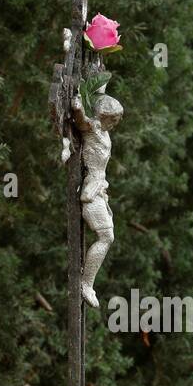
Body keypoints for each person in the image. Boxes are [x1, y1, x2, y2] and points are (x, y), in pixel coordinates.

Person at [73, 89, 123, 308]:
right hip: (91, 190)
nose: (116, 123)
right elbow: (81, 120)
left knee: (107, 236)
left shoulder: (104, 133)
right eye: (114, 118)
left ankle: (88, 283)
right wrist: (77, 106)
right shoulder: (93, 128)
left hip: (100, 189)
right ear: (104, 115)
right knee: (106, 236)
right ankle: (86, 283)